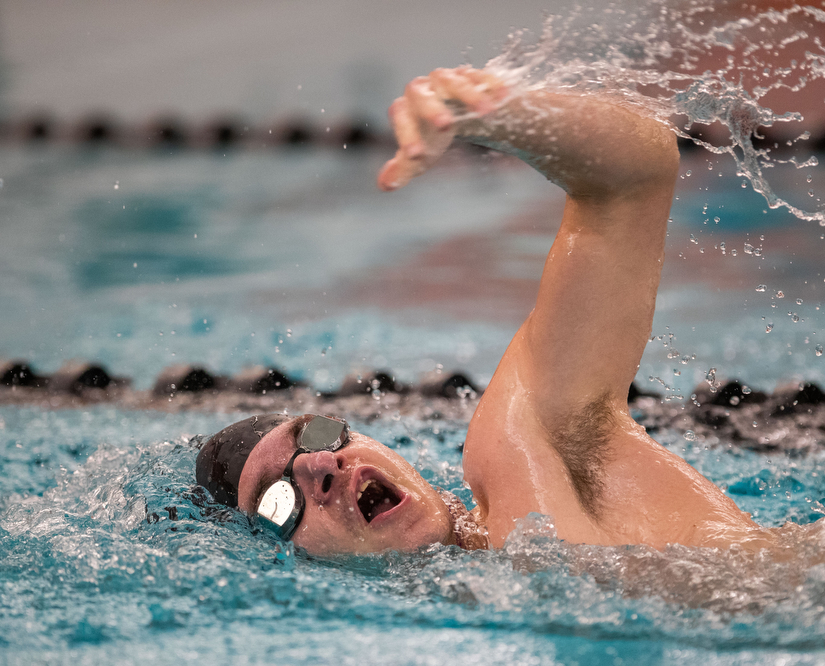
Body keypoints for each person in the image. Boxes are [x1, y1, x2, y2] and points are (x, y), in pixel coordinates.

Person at [196, 66, 765, 556]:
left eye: (318, 434)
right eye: (279, 501)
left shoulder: (527, 449)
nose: (317, 467)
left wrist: (496, 115)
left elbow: (634, 177)